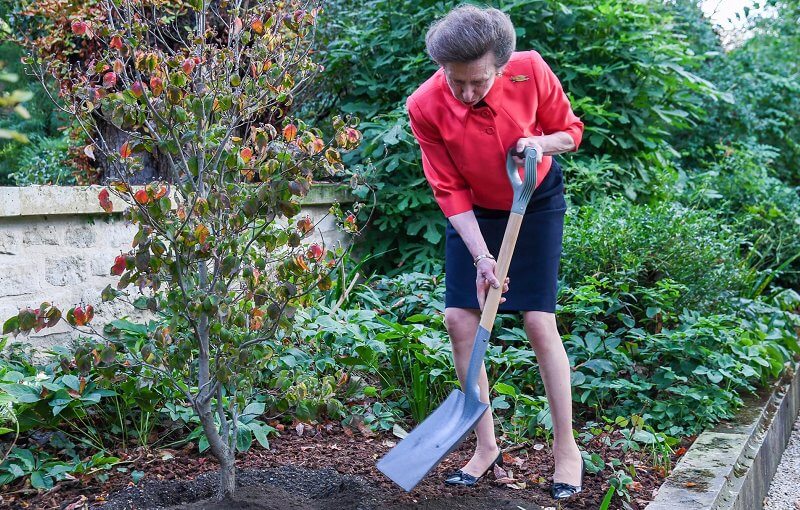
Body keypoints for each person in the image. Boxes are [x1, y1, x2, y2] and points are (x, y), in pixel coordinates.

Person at [406, 5, 585, 500]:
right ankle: (485, 447)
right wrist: (483, 257)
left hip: (535, 197)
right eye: (455, 81)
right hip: (474, 211)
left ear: (503, 66)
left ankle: (566, 449)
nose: (464, 94)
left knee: (536, 320)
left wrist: (538, 142)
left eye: (477, 82)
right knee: (460, 321)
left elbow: (571, 131)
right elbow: (447, 187)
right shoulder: (424, 104)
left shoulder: (531, 69)